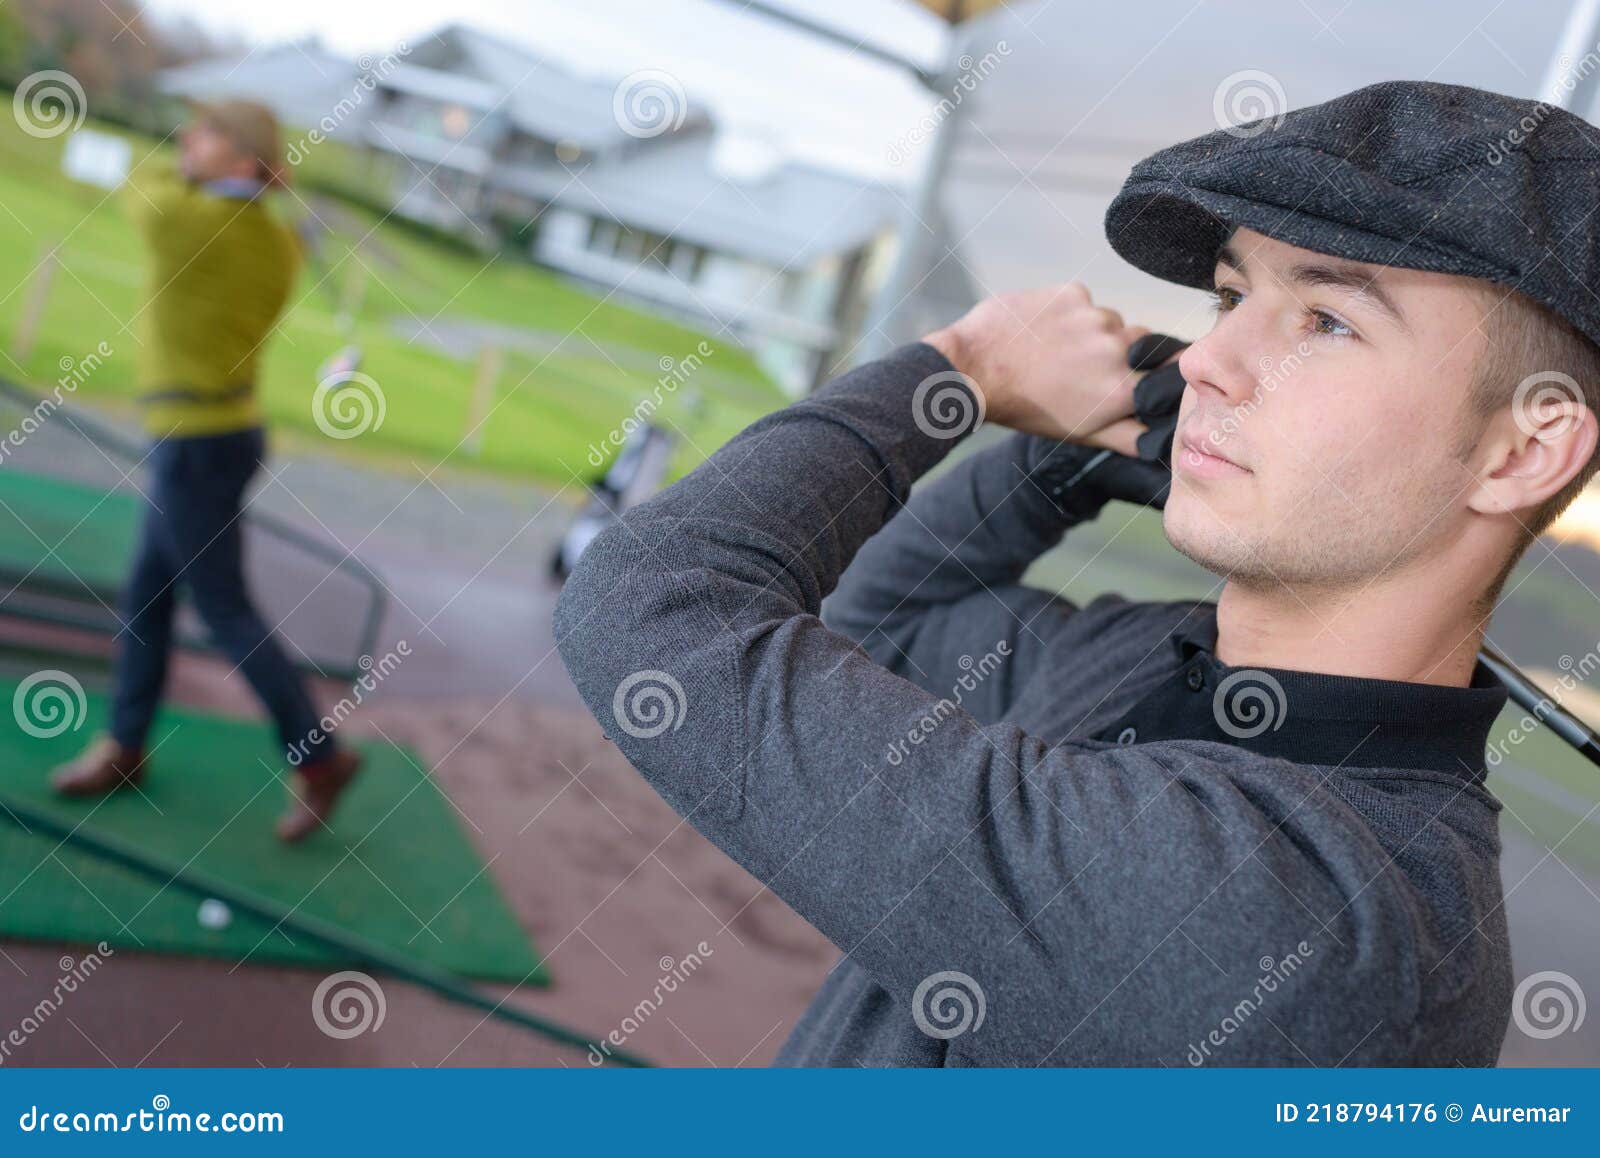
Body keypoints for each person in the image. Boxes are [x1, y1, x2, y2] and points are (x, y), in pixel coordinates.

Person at [552, 80, 1600, 1065]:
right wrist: (1057, 462)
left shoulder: (1317, 921)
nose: (1204, 358)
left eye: (1325, 320)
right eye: (1232, 296)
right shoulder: (1151, 655)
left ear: (1522, 453)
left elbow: (651, 608)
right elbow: (885, 624)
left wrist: (956, 374)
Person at [50, 99, 361, 843]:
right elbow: (183, 182)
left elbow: (142, 187)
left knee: (224, 611)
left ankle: (319, 758)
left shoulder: (192, 221)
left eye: (210, 132)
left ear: (247, 162)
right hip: (219, 437)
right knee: (148, 598)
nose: (188, 138)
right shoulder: (278, 242)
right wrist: (254, 180)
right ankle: (126, 747)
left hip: (197, 445)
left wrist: (208, 170)